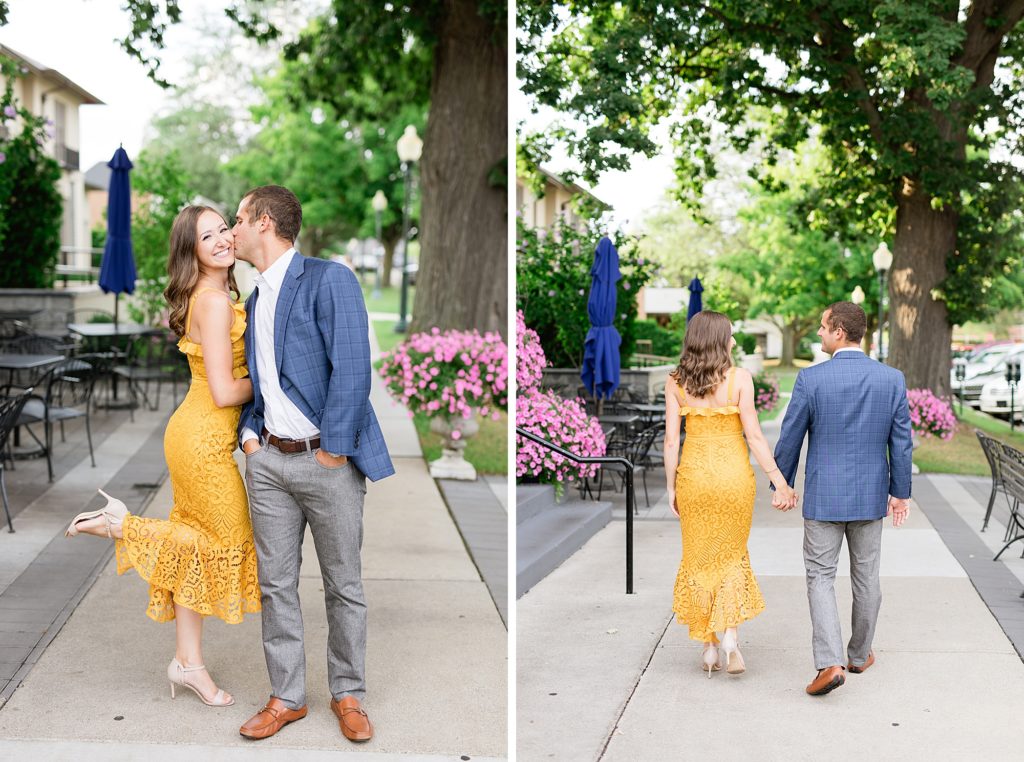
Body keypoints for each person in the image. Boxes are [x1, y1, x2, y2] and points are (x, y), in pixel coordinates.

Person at [65, 205, 260, 707]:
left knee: (193, 545)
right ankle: (118, 525)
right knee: (223, 541)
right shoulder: (214, 302)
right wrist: (274, 381)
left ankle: (187, 663)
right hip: (202, 440)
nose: (221, 239)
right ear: (190, 250)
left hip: (194, 435)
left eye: (223, 229)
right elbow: (223, 391)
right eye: (206, 236)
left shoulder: (214, 293)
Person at [231, 185, 395, 743]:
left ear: (265, 222)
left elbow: (353, 370)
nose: (232, 230)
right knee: (276, 586)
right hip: (269, 464)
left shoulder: (329, 279)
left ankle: (348, 693)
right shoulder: (254, 298)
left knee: (342, 583)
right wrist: (251, 437)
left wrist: (332, 450)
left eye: (238, 220)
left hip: (326, 463)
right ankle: (287, 697)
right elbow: (263, 384)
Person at [772, 301, 912, 697]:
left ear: (839, 332)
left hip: (824, 498)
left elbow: (790, 437)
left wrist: (781, 484)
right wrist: (899, 493)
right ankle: (859, 654)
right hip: (870, 497)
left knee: (820, 576)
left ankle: (829, 663)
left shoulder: (810, 380)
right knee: (867, 576)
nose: (818, 333)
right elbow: (901, 444)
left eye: (822, 327)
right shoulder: (891, 379)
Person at [663, 310, 798, 677]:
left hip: (693, 478)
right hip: (733, 479)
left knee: (698, 556)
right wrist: (780, 481)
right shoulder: (740, 378)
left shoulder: (675, 381)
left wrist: (671, 486)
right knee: (732, 555)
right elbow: (754, 435)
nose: (735, 342)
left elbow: (672, 441)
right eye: (731, 335)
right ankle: (731, 640)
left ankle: (709, 647)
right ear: (719, 339)